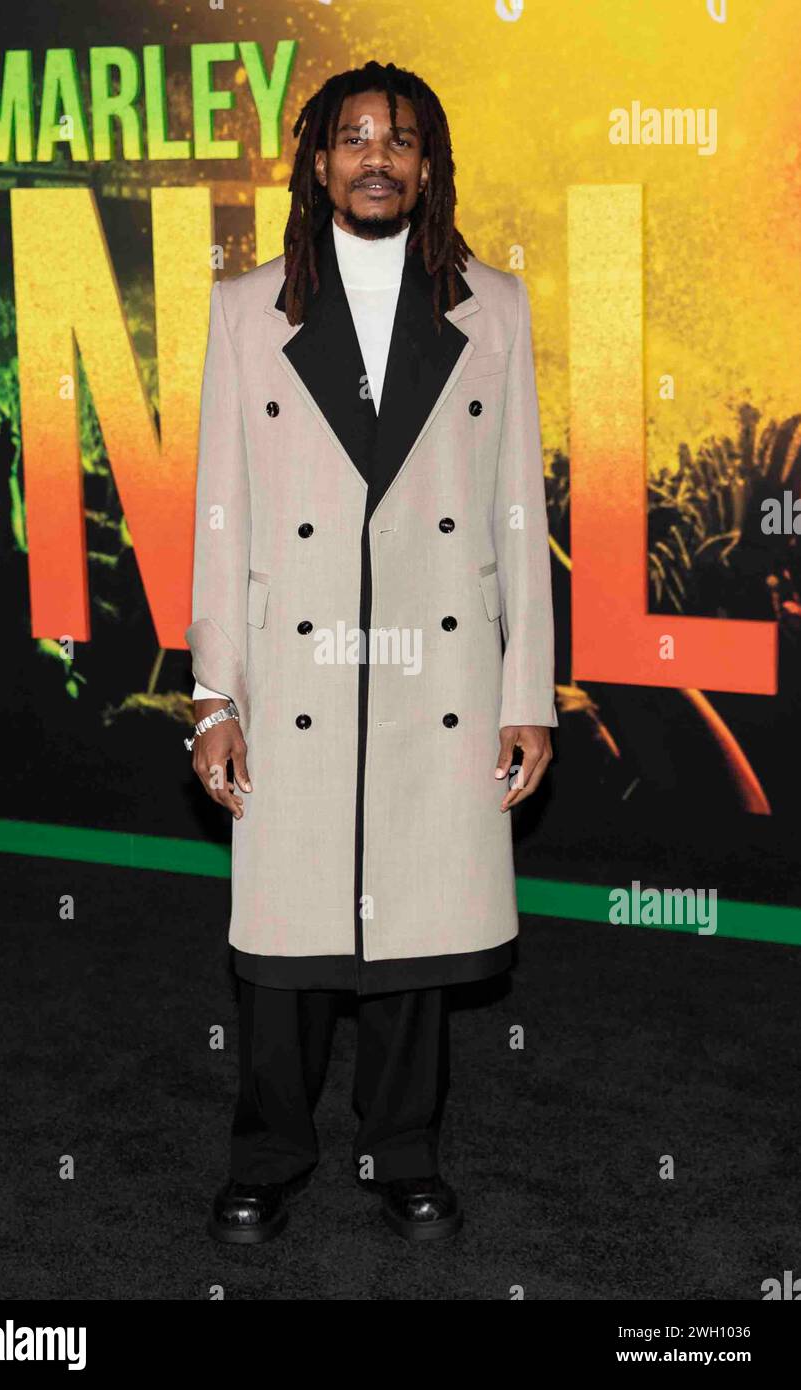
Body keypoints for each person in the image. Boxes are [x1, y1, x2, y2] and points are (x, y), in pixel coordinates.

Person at [185, 60, 557, 1244]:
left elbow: (514, 513)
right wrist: (211, 693)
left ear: (428, 163)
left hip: (432, 671)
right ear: (317, 161)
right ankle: (267, 1154)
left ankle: (403, 1151)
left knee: (414, 937)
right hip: (292, 669)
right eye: (352, 137)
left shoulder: (492, 309)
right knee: (286, 950)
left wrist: (525, 691)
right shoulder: (247, 310)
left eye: (398, 139)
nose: (376, 157)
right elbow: (221, 515)